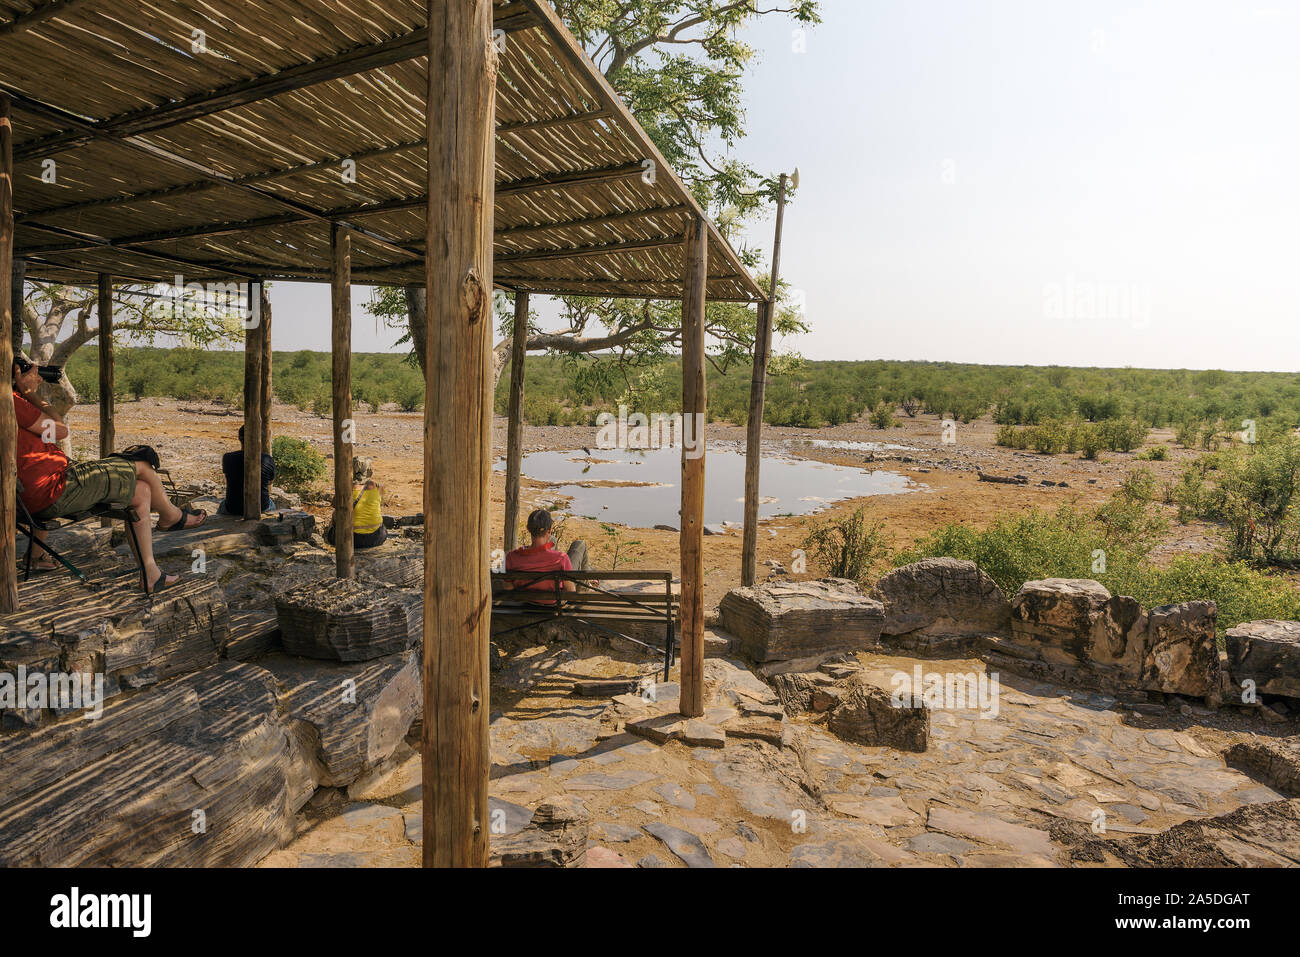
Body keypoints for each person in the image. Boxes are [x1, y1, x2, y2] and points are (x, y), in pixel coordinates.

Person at [11, 354, 205, 593]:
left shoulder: (12, 402)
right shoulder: (11, 402)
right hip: (52, 491)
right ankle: (171, 516)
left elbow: (42, 442)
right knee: (141, 464)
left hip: (28, 494)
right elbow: (59, 431)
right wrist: (30, 392)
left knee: (141, 492)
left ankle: (150, 573)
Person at [503, 508, 589, 596]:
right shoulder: (561, 558)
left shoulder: (511, 557)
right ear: (549, 530)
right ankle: (582, 591)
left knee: (552, 540)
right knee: (579, 544)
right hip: (554, 604)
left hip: (525, 603)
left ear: (528, 529)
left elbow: (508, 588)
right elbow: (570, 591)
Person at [219, 425, 275, 515]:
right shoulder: (267, 459)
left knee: (222, 504)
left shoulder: (228, 458)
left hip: (233, 508)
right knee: (271, 503)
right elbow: (270, 482)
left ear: (239, 439)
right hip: (261, 507)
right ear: (259, 440)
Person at [325, 479, 388, 550]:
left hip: (350, 540)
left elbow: (334, 505)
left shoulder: (345, 488)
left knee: (335, 514)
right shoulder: (379, 487)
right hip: (376, 538)